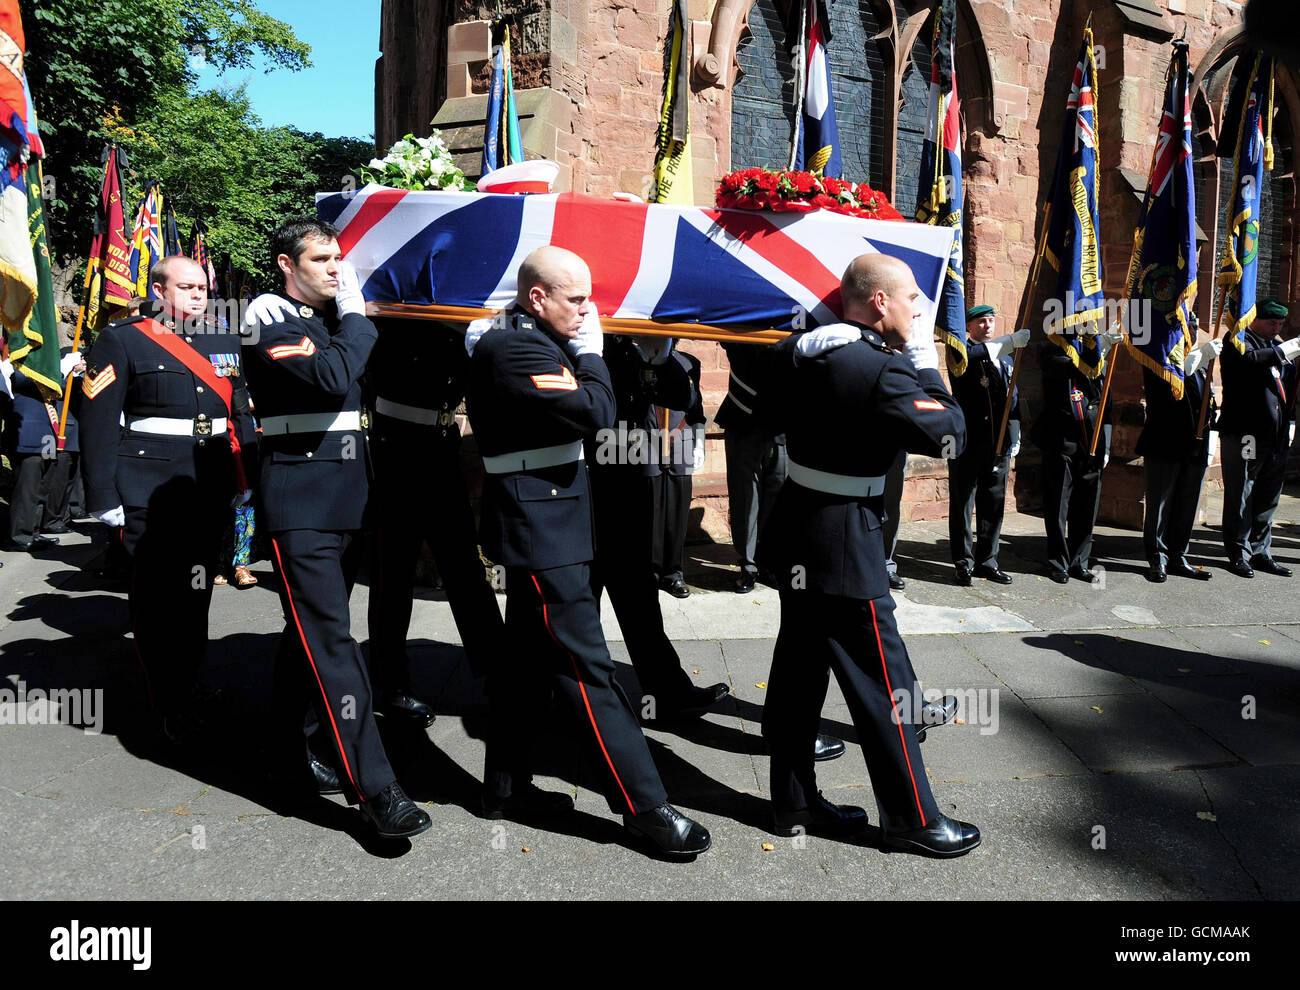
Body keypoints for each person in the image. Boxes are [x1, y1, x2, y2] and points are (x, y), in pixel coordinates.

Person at [464, 245, 711, 857]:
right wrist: (591, 353)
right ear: (537, 297)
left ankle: (505, 789)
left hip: (550, 521)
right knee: (585, 668)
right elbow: (597, 413)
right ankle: (646, 807)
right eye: (576, 298)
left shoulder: (528, 338)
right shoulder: (515, 346)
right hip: (541, 529)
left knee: (525, 666)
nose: (587, 309)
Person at [757, 253, 979, 856]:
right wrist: (927, 364)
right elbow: (950, 434)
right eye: (911, 296)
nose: (918, 309)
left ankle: (794, 804)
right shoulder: (882, 369)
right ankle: (913, 818)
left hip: (798, 528)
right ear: (879, 302)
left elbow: (756, 400)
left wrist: (801, 344)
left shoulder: (806, 352)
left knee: (801, 674)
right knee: (885, 686)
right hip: (845, 545)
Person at [241, 218, 430, 840]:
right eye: (321, 258)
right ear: (285, 264)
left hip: (346, 502)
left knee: (308, 639)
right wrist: (356, 315)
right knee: (334, 644)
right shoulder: (268, 317)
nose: (335, 268)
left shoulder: (327, 322)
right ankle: (377, 789)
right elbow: (328, 379)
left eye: (339, 257)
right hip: (301, 508)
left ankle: (285, 750)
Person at [79, 256, 252, 740]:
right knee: (159, 597)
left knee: (196, 593)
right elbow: (97, 422)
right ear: (159, 291)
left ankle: (189, 679)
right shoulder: (124, 338)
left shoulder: (222, 337)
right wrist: (101, 493)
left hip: (208, 479)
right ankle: (167, 700)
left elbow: (237, 410)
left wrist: (248, 474)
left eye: (203, 287)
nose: (198, 295)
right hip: (149, 485)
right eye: (187, 287)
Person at [365, 316, 505, 727]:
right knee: (393, 574)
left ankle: (498, 675)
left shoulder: (459, 321)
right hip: (396, 449)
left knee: (465, 569)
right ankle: (392, 685)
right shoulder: (394, 315)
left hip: (441, 450)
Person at [586, 333, 729, 721]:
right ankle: (568, 699)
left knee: (639, 599)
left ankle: (668, 693)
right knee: (578, 605)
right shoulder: (589, 348)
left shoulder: (643, 353)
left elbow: (678, 399)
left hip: (625, 492)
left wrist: (660, 355)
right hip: (581, 489)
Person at [1217, 297, 1300, 578]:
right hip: (1246, 434)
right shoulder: (1238, 341)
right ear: (1254, 319)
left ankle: (1261, 550)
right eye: (1271, 322)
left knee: (1269, 495)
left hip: (1274, 435)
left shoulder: (1274, 344)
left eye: (1280, 323)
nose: (1276, 327)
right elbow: (1250, 362)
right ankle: (1239, 552)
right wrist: (1288, 348)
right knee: (1243, 492)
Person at [1031, 328, 1122, 583]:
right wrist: (1099, 348)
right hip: (1063, 444)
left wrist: (1107, 442)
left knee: (1087, 505)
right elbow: (1068, 369)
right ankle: (1058, 562)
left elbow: (1107, 405)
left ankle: (1079, 561)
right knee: (1058, 505)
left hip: (1092, 444)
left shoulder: (1097, 360)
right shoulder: (1052, 352)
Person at [948, 304, 1027, 585]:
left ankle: (987, 561)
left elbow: (1014, 400)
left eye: (992, 321)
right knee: (963, 503)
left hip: (998, 444)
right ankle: (962, 562)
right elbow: (970, 357)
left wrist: (1014, 434)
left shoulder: (1004, 360)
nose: (988, 326)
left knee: (993, 504)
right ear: (968, 327)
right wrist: (1007, 342)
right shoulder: (960, 352)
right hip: (968, 443)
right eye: (981, 322)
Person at [1138, 320, 1221, 582]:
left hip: (1195, 447)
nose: (1192, 335)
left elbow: (1208, 406)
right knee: (1160, 506)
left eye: (1194, 330)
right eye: (1187, 330)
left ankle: (1177, 555)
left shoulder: (1200, 365)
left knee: (1187, 504)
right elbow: (1169, 383)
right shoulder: (1157, 357)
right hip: (1165, 443)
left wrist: (1211, 439)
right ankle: (1157, 557)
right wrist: (1198, 358)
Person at [717, 339, 787, 593]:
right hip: (744, 419)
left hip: (782, 424)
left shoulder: (794, 322)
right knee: (746, 497)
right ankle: (748, 565)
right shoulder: (746, 319)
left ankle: (768, 562)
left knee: (778, 497)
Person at [3, 352, 81, 551]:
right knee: (27, 487)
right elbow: (32, 381)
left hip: (48, 436)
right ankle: (20, 535)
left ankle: (33, 531)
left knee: (42, 487)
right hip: (28, 437)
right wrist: (63, 366)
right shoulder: (16, 368)